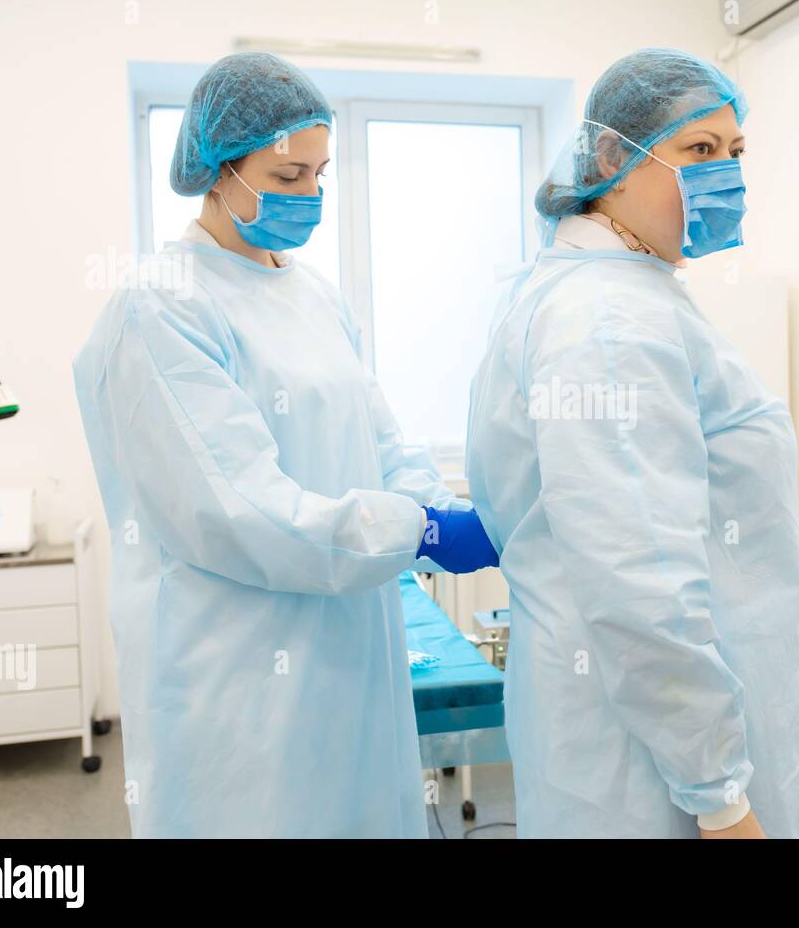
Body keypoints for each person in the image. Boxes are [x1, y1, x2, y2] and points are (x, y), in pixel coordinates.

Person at [73, 52, 497, 837]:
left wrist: (443, 506)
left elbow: (380, 438)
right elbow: (241, 512)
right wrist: (419, 532)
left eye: (320, 175)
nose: (311, 196)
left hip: (350, 643)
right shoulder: (159, 308)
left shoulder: (313, 296)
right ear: (217, 166)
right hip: (236, 673)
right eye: (290, 174)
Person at [466, 47, 799, 838]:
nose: (724, 175)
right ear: (610, 160)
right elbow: (643, 582)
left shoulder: (621, 293)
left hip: (625, 733)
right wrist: (722, 798)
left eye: (735, 155)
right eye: (699, 150)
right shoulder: (609, 321)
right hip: (653, 766)